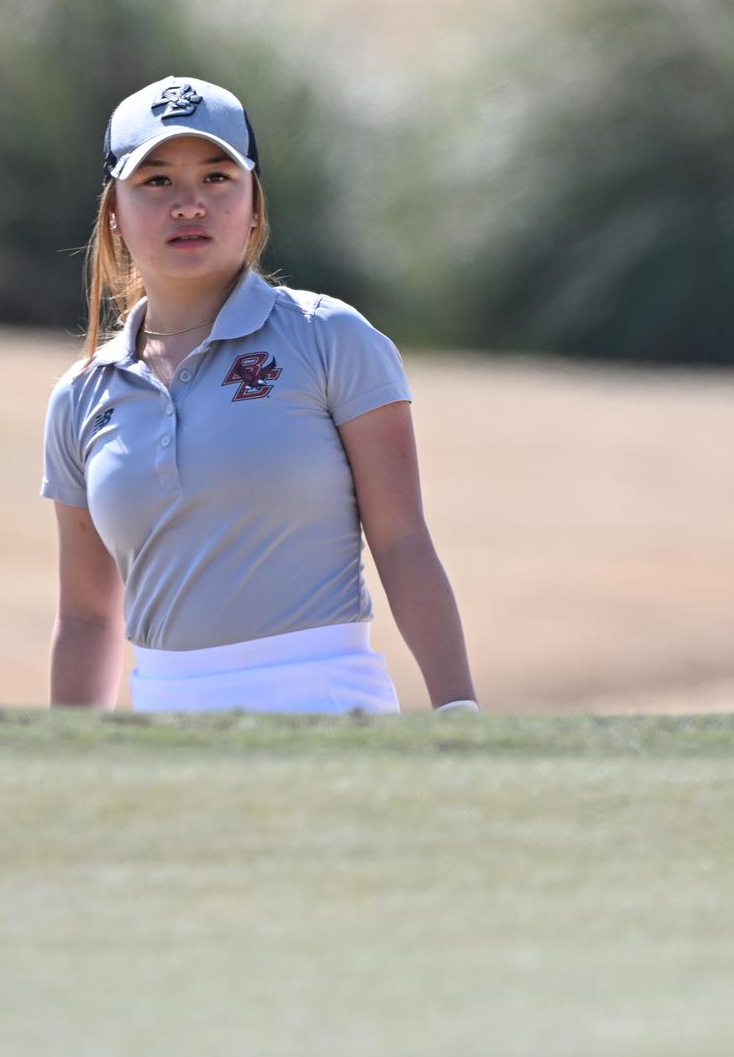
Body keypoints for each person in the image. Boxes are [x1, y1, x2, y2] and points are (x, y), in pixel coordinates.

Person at [41, 74, 477, 715]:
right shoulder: (81, 396)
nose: (189, 205)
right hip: (163, 734)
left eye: (217, 177)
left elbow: (402, 542)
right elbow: (87, 618)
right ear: (114, 212)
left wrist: (458, 712)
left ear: (253, 202)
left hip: (331, 716)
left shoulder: (328, 338)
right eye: (156, 181)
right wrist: (68, 756)